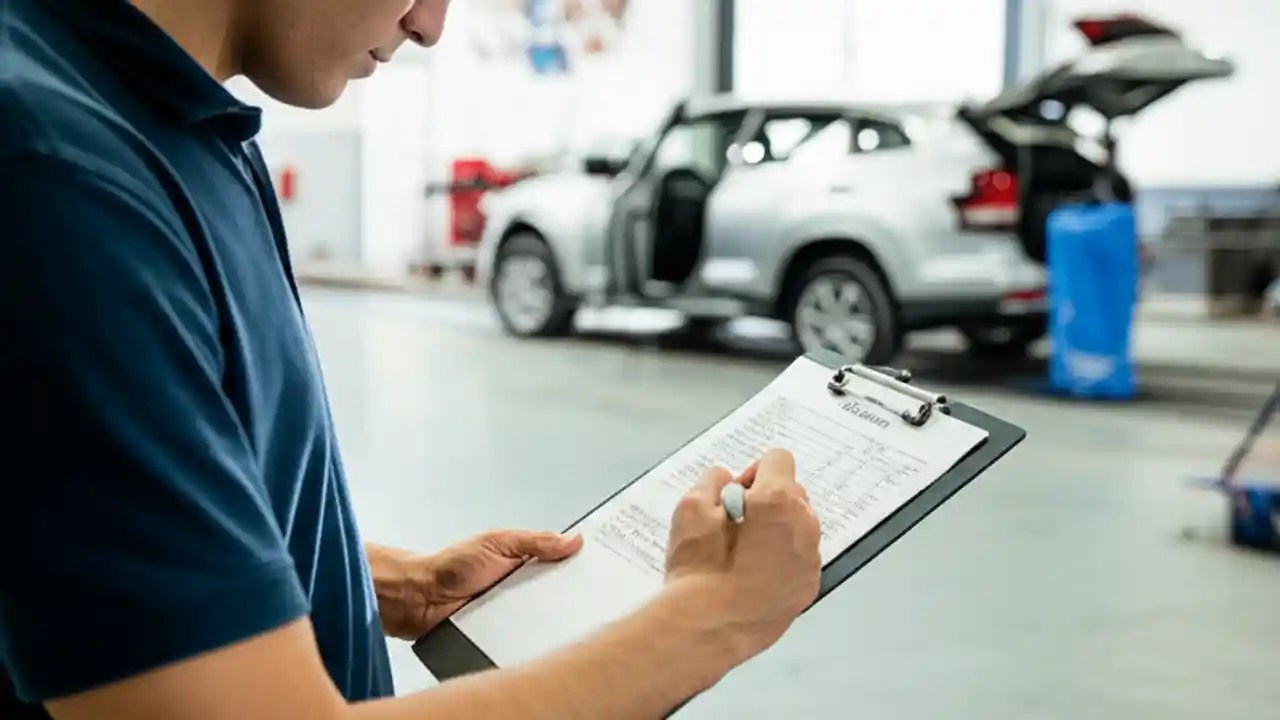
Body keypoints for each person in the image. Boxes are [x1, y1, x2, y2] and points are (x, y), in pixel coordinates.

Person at [0, 1, 823, 718]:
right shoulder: (57, 179)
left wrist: (388, 583)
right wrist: (711, 619)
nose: (429, 24)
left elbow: (107, 535)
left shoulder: (178, 123)